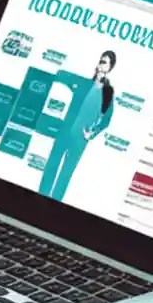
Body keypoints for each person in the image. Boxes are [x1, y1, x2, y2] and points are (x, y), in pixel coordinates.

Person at [38, 50, 116, 201]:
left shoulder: (108, 93)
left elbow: (106, 120)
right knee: (52, 165)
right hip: (65, 131)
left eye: (104, 62)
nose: (101, 63)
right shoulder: (84, 83)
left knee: (66, 173)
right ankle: (40, 197)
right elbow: (63, 75)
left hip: (80, 138)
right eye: (100, 60)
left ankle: (54, 203)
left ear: (110, 67)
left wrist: (91, 133)